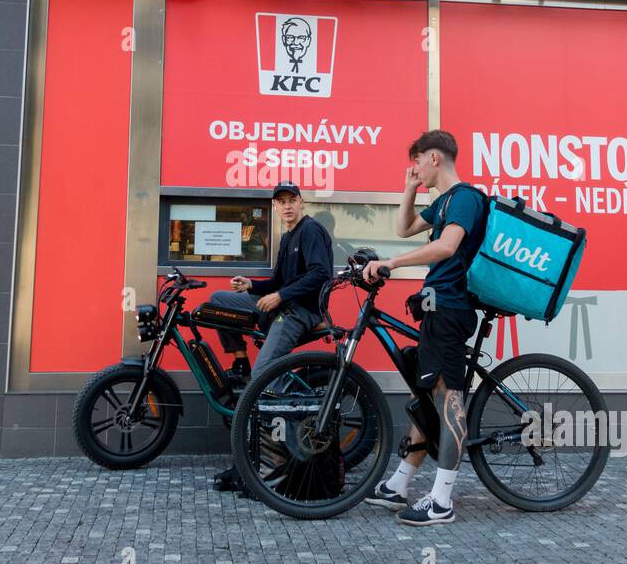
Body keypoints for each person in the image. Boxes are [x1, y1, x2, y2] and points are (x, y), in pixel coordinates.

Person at [360, 130, 485, 526]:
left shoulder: (464, 197)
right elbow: (404, 227)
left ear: (434, 157)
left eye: (417, 161)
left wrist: (392, 265)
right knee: (429, 392)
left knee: (449, 398)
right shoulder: (443, 201)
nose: (414, 168)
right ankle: (399, 484)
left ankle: (442, 501)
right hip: (436, 308)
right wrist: (410, 188)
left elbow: (447, 247)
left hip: (451, 308)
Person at [206, 182, 333, 383]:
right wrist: (251, 285)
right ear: (275, 206)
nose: (287, 206)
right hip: (284, 303)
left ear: (302, 202)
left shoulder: (311, 229)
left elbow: (320, 273)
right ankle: (241, 362)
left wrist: (280, 295)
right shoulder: (287, 238)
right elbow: (278, 282)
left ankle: (281, 410)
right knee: (217, 302)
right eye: (282, 202)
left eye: (292, 200)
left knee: (263, 373)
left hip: (300, 310)